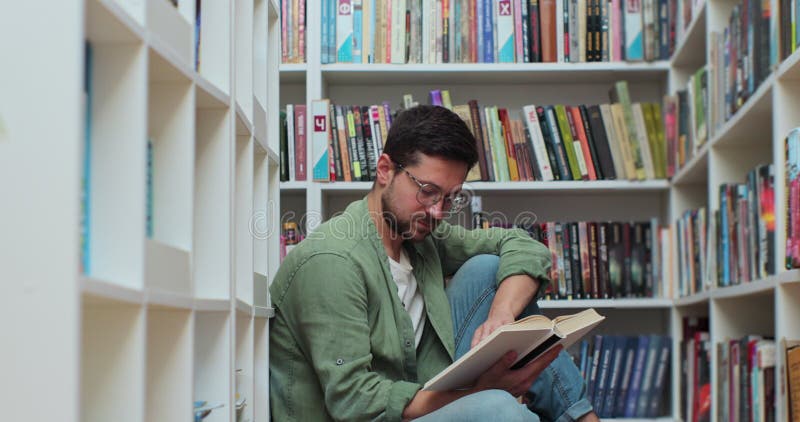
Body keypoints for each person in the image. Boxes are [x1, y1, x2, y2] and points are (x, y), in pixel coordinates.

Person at [269, 105, 599, 421]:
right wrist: (479, 391)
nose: (438, 211)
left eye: (450, 197)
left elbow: (522, 246)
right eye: (427, 191)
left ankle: (582, 417)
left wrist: (502, 315)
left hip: (418, 387)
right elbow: (355, 402)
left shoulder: (419, 234)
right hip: (368, 415)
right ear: (385, 170)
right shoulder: (333, 262)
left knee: (489, 270)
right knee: (499, 409)